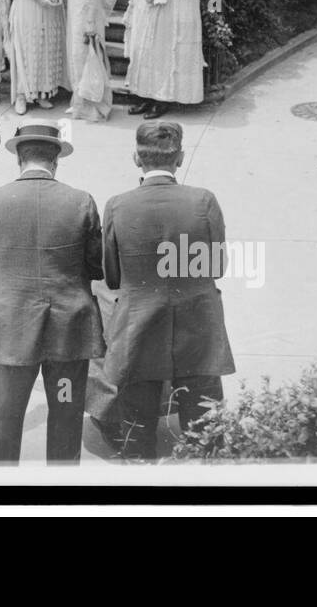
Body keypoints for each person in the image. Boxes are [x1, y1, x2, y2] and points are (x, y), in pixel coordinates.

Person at [86, 121, 234, 459]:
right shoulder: (204, 200)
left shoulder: (118, 205)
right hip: (199, 329)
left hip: (139, 331)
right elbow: (217, 268)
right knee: (206, 437)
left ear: (136, 158)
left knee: (137, 436)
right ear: (180, 158)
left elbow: (113, 277)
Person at [0, 121, 104, 464]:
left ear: (19, 158)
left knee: (6, 415)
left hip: (12, 331)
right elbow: (98, 267)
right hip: (68, 334)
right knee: (66, 413)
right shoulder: (81, 201)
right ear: (56, 160)